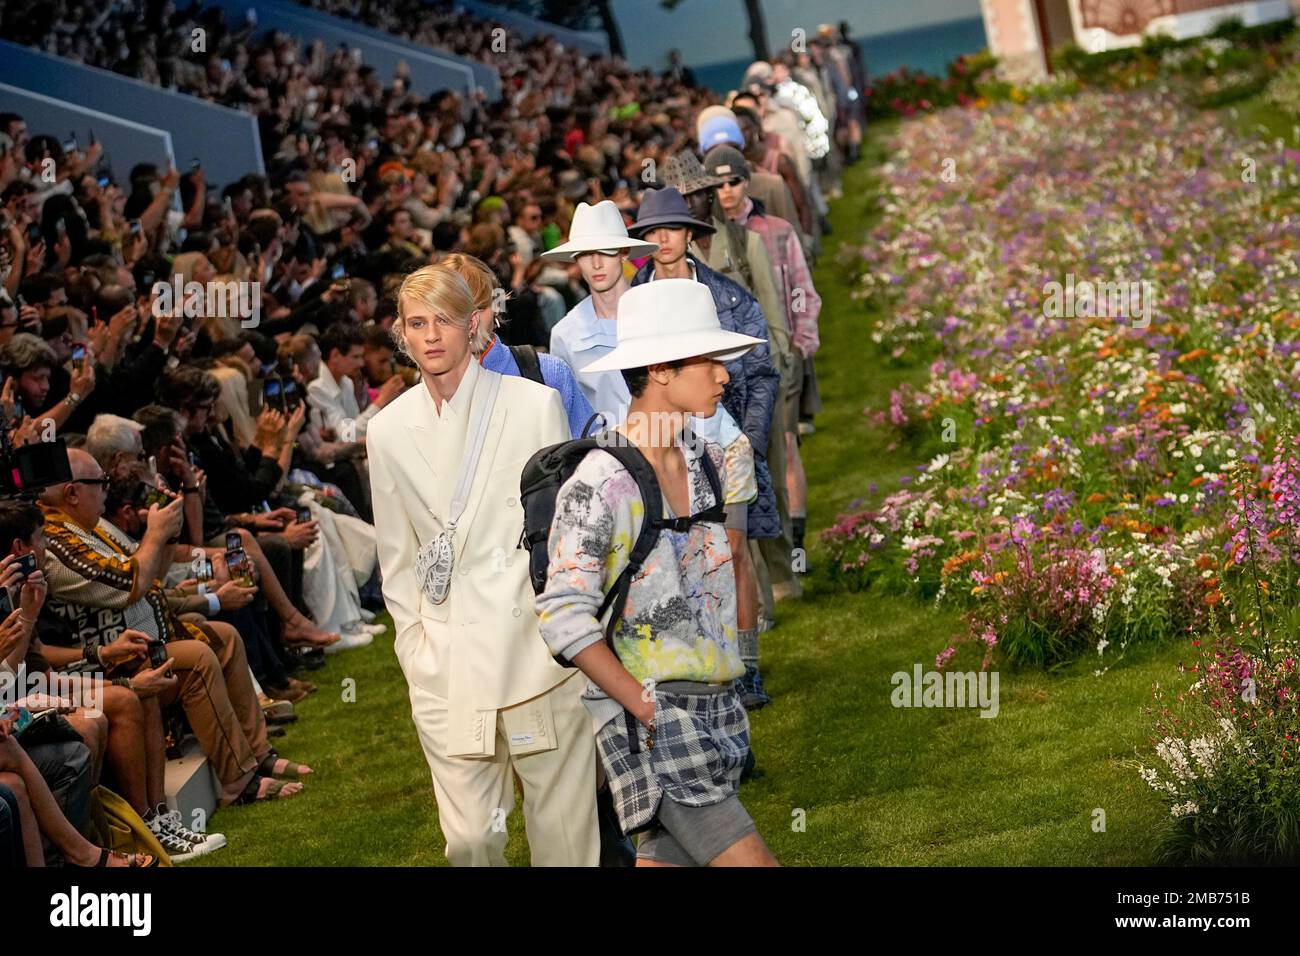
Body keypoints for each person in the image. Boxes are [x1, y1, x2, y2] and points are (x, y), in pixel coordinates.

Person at [536, 278, 777, 867]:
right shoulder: (600, 481)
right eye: (709, 359)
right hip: (654, 719)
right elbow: (563, 616)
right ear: (661, 370)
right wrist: (648, 710)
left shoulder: (715, 464)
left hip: (717, 707)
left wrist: (741, 668)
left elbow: (727, 572)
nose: (725, 374)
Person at [367, 264, 598, 867]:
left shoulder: (534, 405)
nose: (433, 335)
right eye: (418, 323)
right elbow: (397, 557)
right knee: (471, 841)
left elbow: (564, 534)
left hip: (534, 652)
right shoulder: (387, 431)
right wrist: (415, 648)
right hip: (448, 662)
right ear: (402, 334)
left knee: (565, 840)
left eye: (445, 319)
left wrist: (566, 628)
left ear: (474, 324)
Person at [629, 187, 780, 710]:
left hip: (725, 444)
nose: (662, 239)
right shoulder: (636, 301)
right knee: (676, 557)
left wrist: (750, 439)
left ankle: (745, 667)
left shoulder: (727, 295)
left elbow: (760, 375)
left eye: (670, 228)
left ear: (691, 233)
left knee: (732, 555)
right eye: (651, 232)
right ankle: (694, 672)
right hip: (662, 449)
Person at [708, 145, 821, 561]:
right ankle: (773, 552)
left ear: (746, 181)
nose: (727, 191)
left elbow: (801, 291)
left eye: (734, 181)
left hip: (779, 355)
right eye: (717, 184)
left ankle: (795, 545)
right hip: (734, 370)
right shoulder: (709, 239)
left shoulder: (776, 231)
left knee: (785, 444)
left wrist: (800, 344)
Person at [436, 252, 597, 440]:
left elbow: (590, 451)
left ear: (496, 305)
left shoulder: (549, 372)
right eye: (454, 313)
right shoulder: (426, 390)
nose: (471, 323)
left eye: (479, 308)